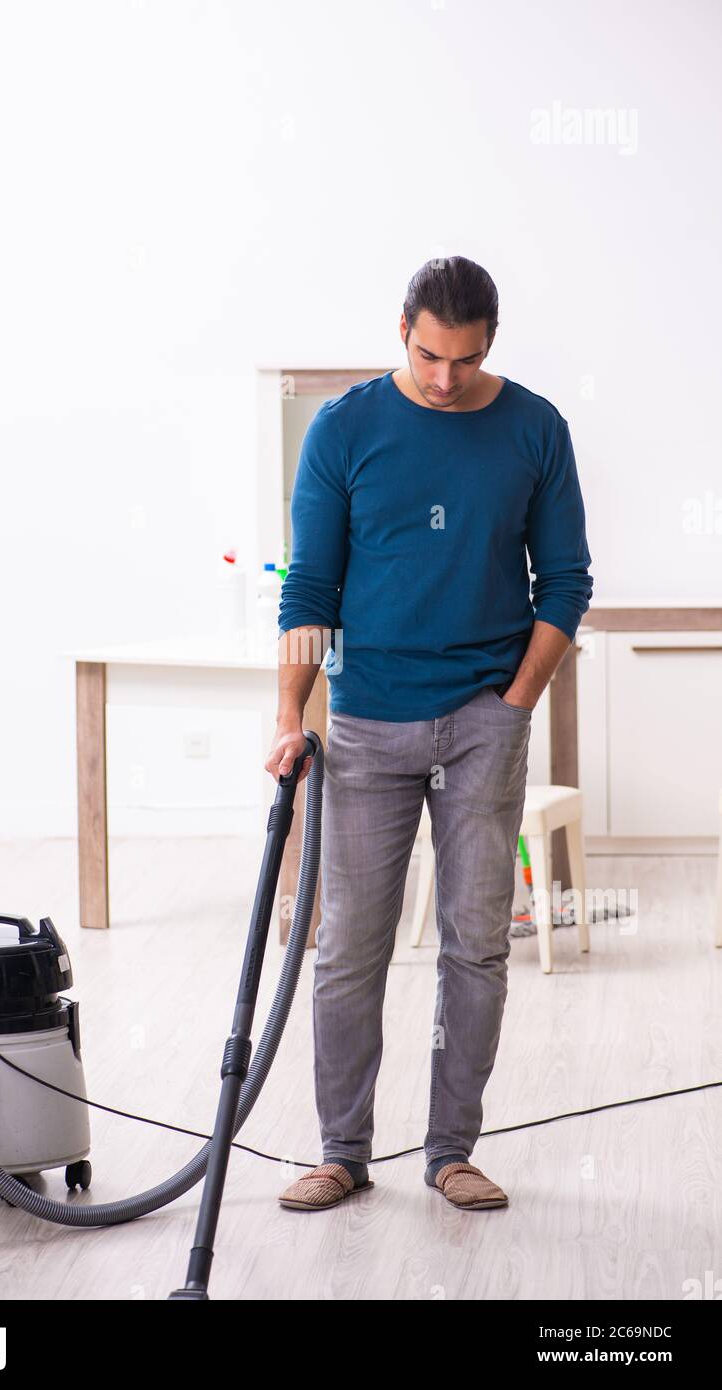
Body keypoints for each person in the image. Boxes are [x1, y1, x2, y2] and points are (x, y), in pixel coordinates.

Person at [266, 255, 593, 1213]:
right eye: (426, 356)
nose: (444, 379)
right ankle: (342, 1151)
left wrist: (514, 704)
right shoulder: (345, 428)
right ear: (399, 326)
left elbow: (565, 582)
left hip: (480, 725)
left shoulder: (534, 427)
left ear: (489, 341)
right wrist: (289, 716)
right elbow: (310, 589)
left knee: (473, 947)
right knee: (347, 950)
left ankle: (450, 1150)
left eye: (464, 359)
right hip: (366, 721)